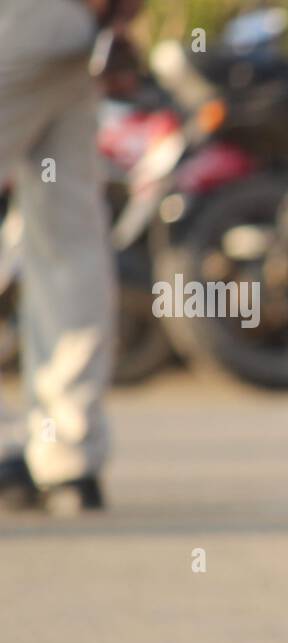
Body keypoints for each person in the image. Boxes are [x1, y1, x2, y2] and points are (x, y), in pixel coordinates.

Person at [0, 0, 135, 514]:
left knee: (67, 237)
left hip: (24, 22)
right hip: (72, 26)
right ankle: (67, 458)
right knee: (68, 238)